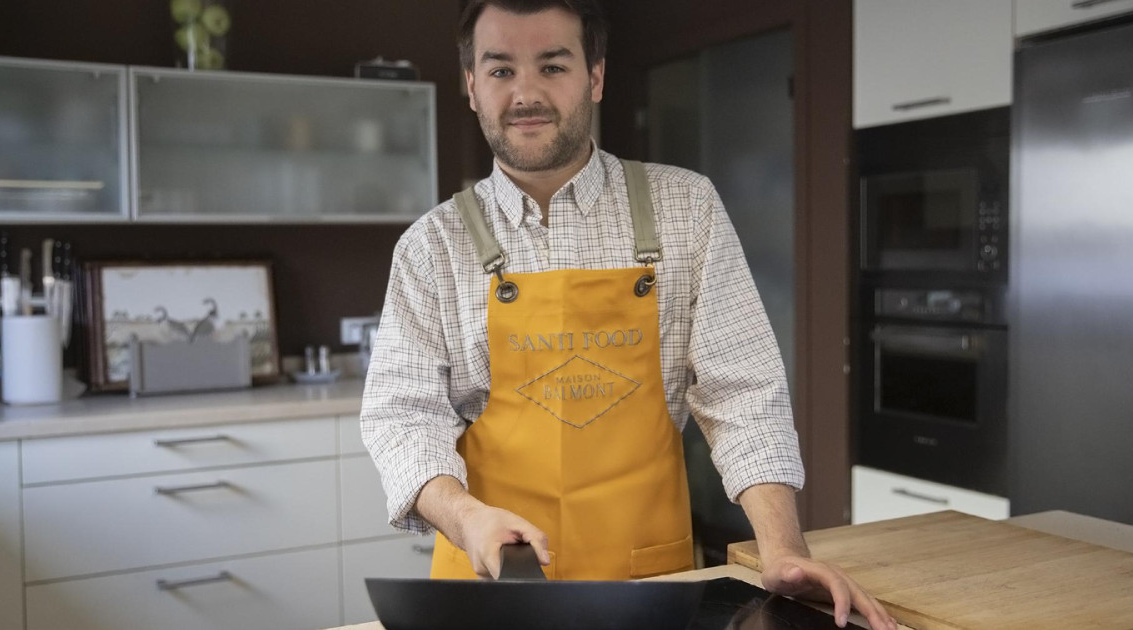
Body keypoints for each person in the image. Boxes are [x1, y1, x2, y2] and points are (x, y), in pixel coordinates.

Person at [361, 1, 895, 628]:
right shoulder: (431, 246)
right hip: (492, 589)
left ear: (595, 76)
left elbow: (743, 391)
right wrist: (465, 516)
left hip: (654, 586)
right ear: (471, 86)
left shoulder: (686, 209)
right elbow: (403, 419)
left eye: (553, 65)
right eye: (501, 70)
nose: (526, 93)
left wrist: (782, 548)